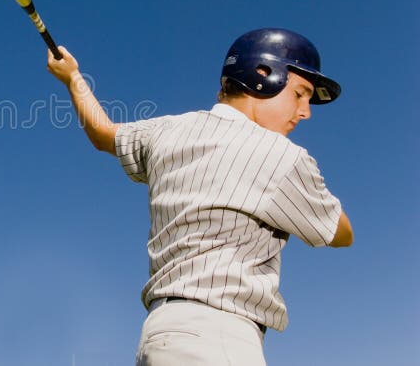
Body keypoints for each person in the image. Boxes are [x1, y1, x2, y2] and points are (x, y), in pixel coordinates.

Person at [46, 28, 353, 366]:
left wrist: (72, 76)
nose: (305, 111)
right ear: (262, 76)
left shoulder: (166, 131)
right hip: (219, 335)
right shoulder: (283, 157)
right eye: (300, 93)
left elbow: (103, 134)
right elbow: (341, 234)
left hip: (157, 335)